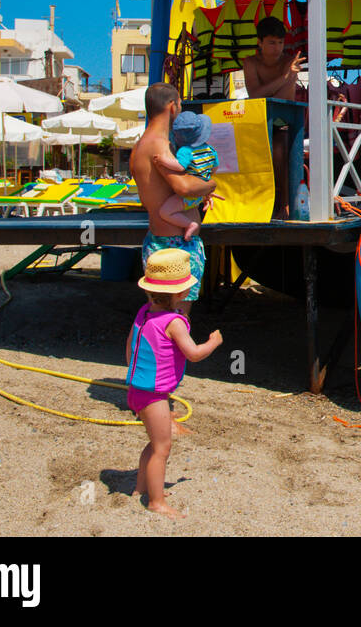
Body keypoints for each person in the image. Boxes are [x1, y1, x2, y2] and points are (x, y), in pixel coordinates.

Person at [126, 248, 223, 519]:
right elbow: (193, 354)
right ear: (181, 293)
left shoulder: (145, 312)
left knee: (153, 442)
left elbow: (129, 347)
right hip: (153, 394)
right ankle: (155, 502)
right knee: (162, 447)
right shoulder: (175, 322)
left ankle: (141, 487)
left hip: (136, 388)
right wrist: (213, 343)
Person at [130, 83, 218, 315]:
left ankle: (153, 352)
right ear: (172, 106)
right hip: (176, 245)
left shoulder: (139, 145)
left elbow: (148, 195)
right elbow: (184, 187)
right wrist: (211, 184)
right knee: (177, 320)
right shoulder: (161, 146)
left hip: (156, 241)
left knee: (160, 317)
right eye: (179, 104)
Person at [243, 16, 304, 219]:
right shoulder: (250, 62)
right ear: (259, 42)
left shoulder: (290, 61)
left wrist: (287, 77)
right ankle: (255, 203)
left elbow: (284, 99)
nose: (277, 47)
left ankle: (284, 204)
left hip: (281, 122)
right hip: (257, 121)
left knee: (279, 148)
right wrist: (285, 78)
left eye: (280, 42)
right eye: (271, 42)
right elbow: (254, 95)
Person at [149, 111, 219, 242]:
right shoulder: (210, 149)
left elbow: (180, 166)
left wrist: (163, 160)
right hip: (199, 193)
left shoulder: (186, 151)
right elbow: (215, 167)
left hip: (188, 197)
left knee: (165, 212)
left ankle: (189, 224)